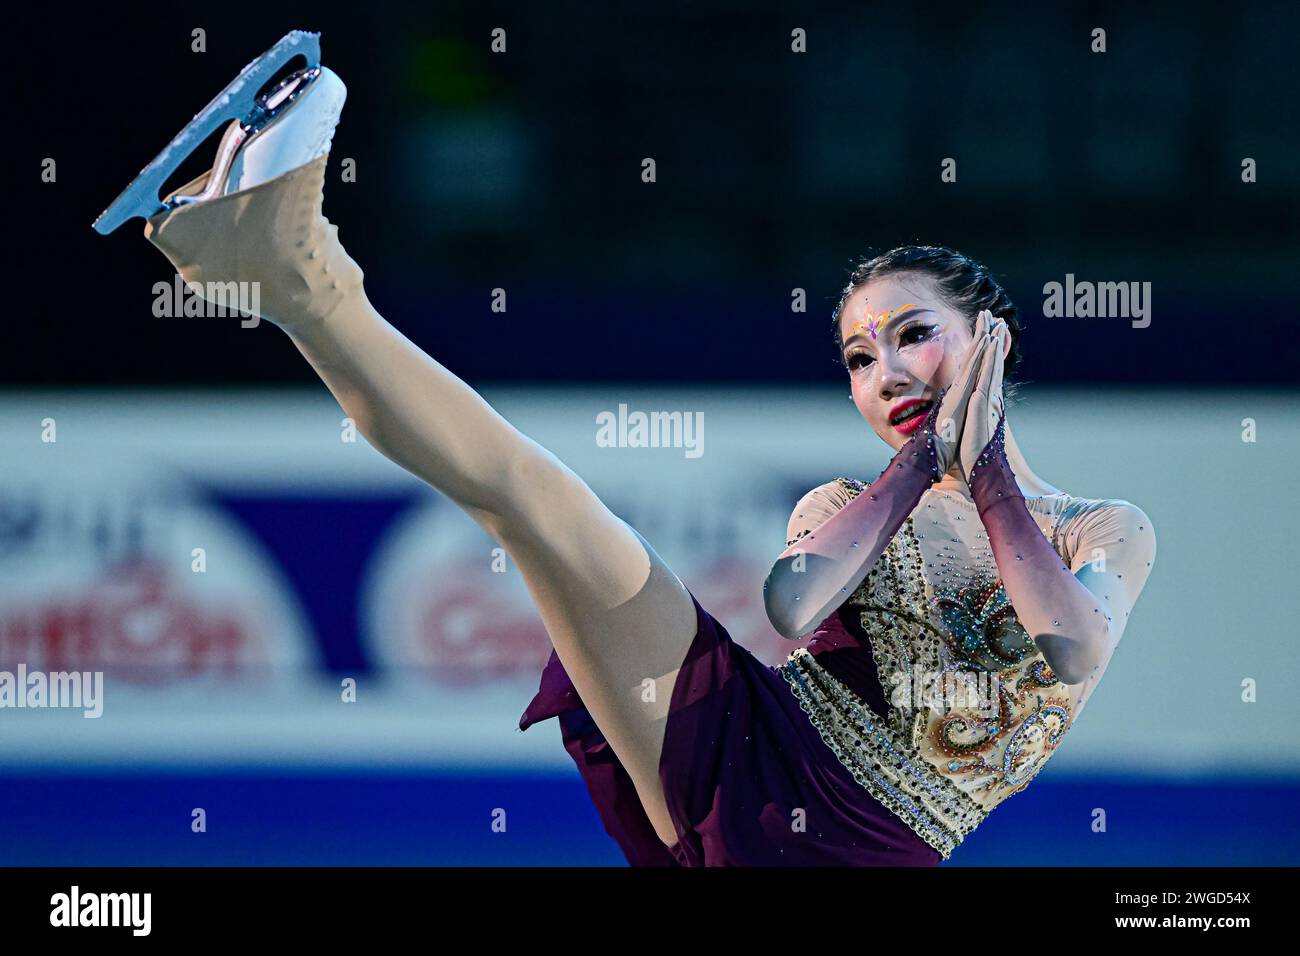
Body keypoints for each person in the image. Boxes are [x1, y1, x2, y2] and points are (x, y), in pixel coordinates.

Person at [129, 67, 1156, 867]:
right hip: (746, 741)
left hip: (868, 845)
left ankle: (278, 259)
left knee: (535, 504)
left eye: (913, 335)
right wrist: (927, 462)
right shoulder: (846, 501)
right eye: (856, 357)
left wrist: (981, 479)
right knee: (531, 500)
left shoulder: (1102, 528)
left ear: (993, 340)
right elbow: (792, 608)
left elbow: (1069, 648)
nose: (883, 371)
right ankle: (289, 266)